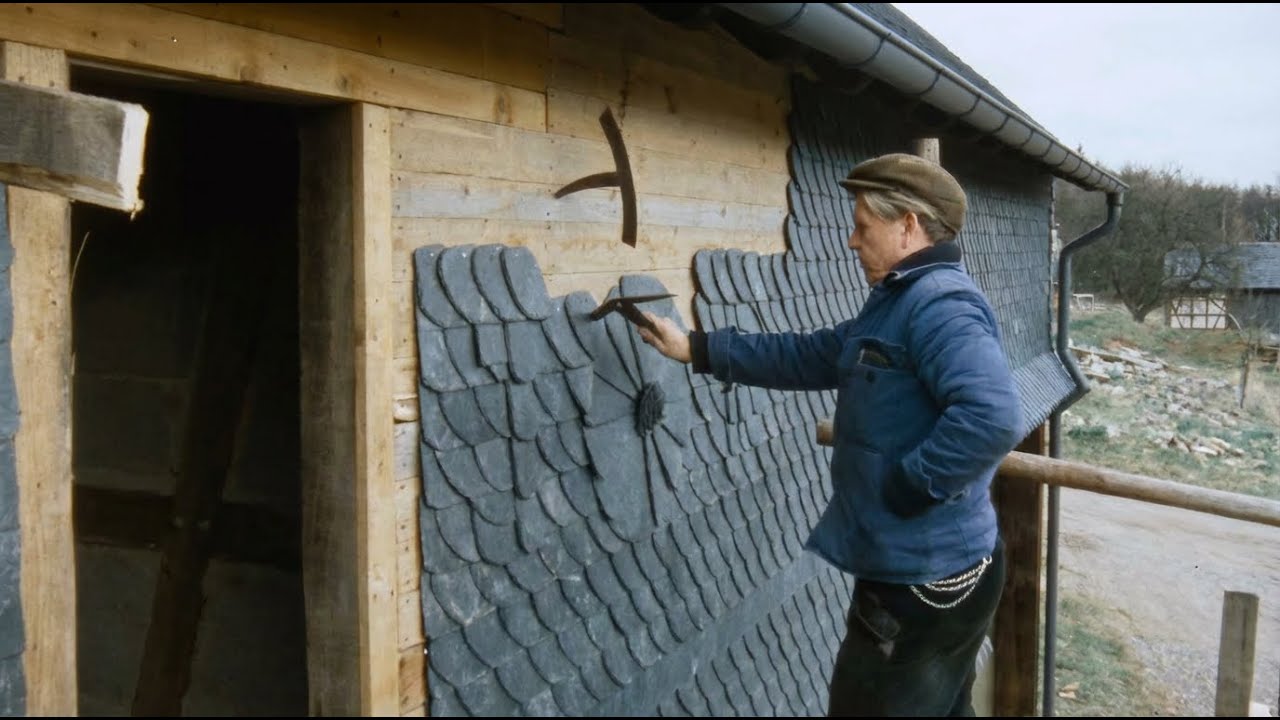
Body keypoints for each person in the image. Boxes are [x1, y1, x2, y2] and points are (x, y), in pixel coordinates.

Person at [638, 152, 1024, 716]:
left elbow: (992, 416)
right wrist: (698, 348)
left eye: (863, 226)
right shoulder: (899, 300)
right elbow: (812, 354)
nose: (851, 240)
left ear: (908, 226)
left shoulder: (938, 305)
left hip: (923, 583)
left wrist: (910, 485)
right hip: (941, 569)